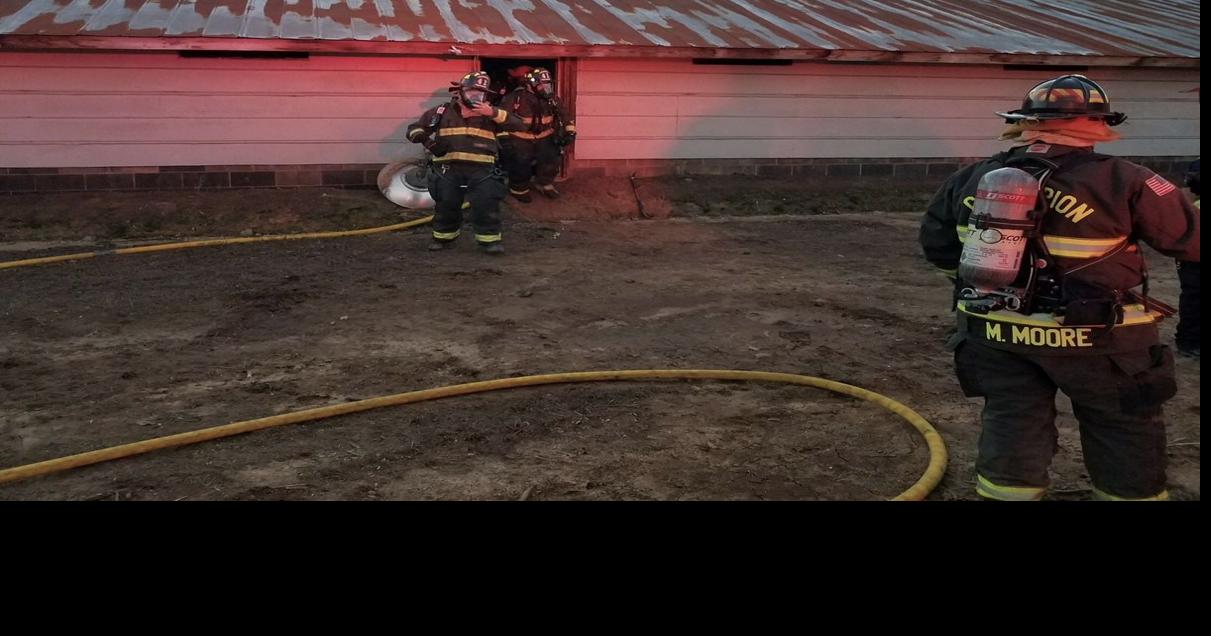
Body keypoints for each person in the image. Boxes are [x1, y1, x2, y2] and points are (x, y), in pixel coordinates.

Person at [919, 75, 1201, 501]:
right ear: (1098, 124)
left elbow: (938, 246)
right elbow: (1191, 241)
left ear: (1025, 122)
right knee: (1123, 428)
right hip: (1100, 340)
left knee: (1012, 424)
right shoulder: (1129, 180)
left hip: (996, 334)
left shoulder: (972, 177)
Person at [405, 71, 525, 254]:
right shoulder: (441, 112)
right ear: (459, 92)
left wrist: (492, 112)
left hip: (483, 170)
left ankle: (489, 241)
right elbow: (414, 130)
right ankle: (443, 238)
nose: (476, 97)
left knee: (486, 204)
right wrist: (428, 142)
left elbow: (520, 125)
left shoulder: (491, 114)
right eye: (471, 92)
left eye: (480, 94)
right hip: (447, 169)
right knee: (446, 204)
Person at [497, 67, 576, 202]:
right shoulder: (513, 98)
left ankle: (545, 184)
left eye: (548, 84)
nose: (545, 88)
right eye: (542, 85)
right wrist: (504, 141)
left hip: (546, 137)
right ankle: (518, 189)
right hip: (520, 139)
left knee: (550, 162)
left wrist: (570, 130)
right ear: (530, 85)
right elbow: (501, 118)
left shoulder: (552, 99)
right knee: (520, 165)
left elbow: (564, 115)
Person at [1175, 157, 1200, 358]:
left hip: (1190, 259)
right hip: (1194, 260)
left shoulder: (1192, 206)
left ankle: (1188, 340)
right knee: (1194, 299)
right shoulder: (1195, 208)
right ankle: (1188, 341)